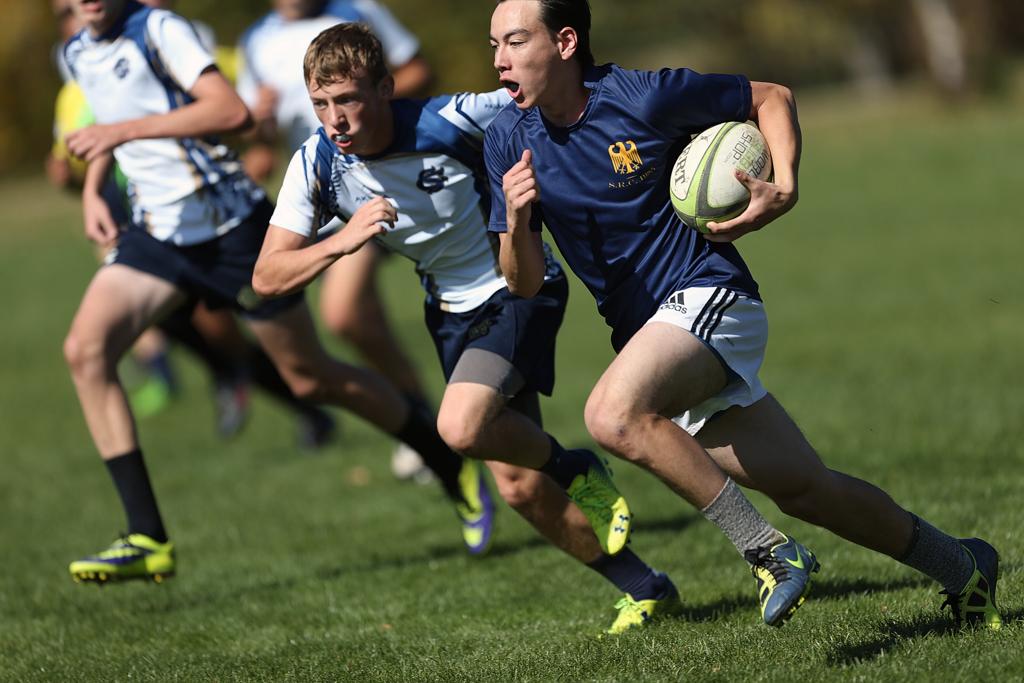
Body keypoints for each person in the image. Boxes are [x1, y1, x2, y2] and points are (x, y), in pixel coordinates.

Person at [485, 0, 1001, 630]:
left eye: (514, 42)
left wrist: (783, 184)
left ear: (565, 42)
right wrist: (515, 220)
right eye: (494, 45)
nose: (499, 61)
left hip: (712, 297)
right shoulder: (508, 139)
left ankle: (771, 554)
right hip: (653, 337)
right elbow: (524, 280)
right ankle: (965, 567)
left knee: (611, 415)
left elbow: (771, 96)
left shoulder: (643, 97)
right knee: (807, 488)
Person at [252, 21, 677, 634]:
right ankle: (644, 586)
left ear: (385, 89)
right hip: (450, 315)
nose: (334, 119)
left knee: (459, 426)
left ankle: (576, 467)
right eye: (320, 104)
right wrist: (340, 242)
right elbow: (268, 276)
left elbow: (556, 88)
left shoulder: (452, 119)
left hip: (518, 287)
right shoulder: (317, 162)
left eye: (347, 100)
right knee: (517, 488)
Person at [60, 0, 491, 584]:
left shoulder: (157, 28)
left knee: (309, 378)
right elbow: (115, 117)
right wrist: (93, 188)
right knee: (85, 351)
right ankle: (146, 536)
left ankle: (444, 459)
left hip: (230, 229)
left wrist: (121, 131)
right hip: (157, 235)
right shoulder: (77, 51)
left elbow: (229, 111)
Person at [238, 0, 436, 481]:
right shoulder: (255, 41)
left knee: (343, 312)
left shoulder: (355, 10)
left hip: (381, 179)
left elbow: (417, 73)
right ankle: (422, 420)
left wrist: (362, 106)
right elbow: (259, 135)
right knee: (353, 320)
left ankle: (424, 424)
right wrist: (260, 131)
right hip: (325, 195)